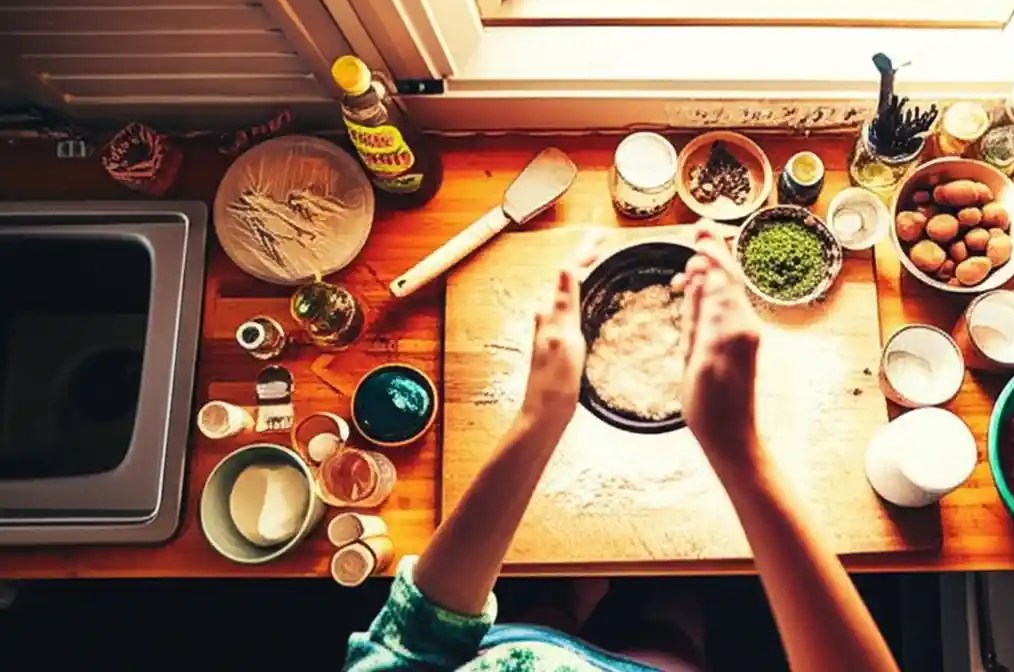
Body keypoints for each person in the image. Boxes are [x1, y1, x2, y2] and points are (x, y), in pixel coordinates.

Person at [346, 221, 899, 672]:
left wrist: (541, 416)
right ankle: (623, 616)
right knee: (671, 623)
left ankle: (565, 610)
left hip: (510, 654)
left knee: (548, 614)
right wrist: (739, 451)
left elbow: (410, 644)